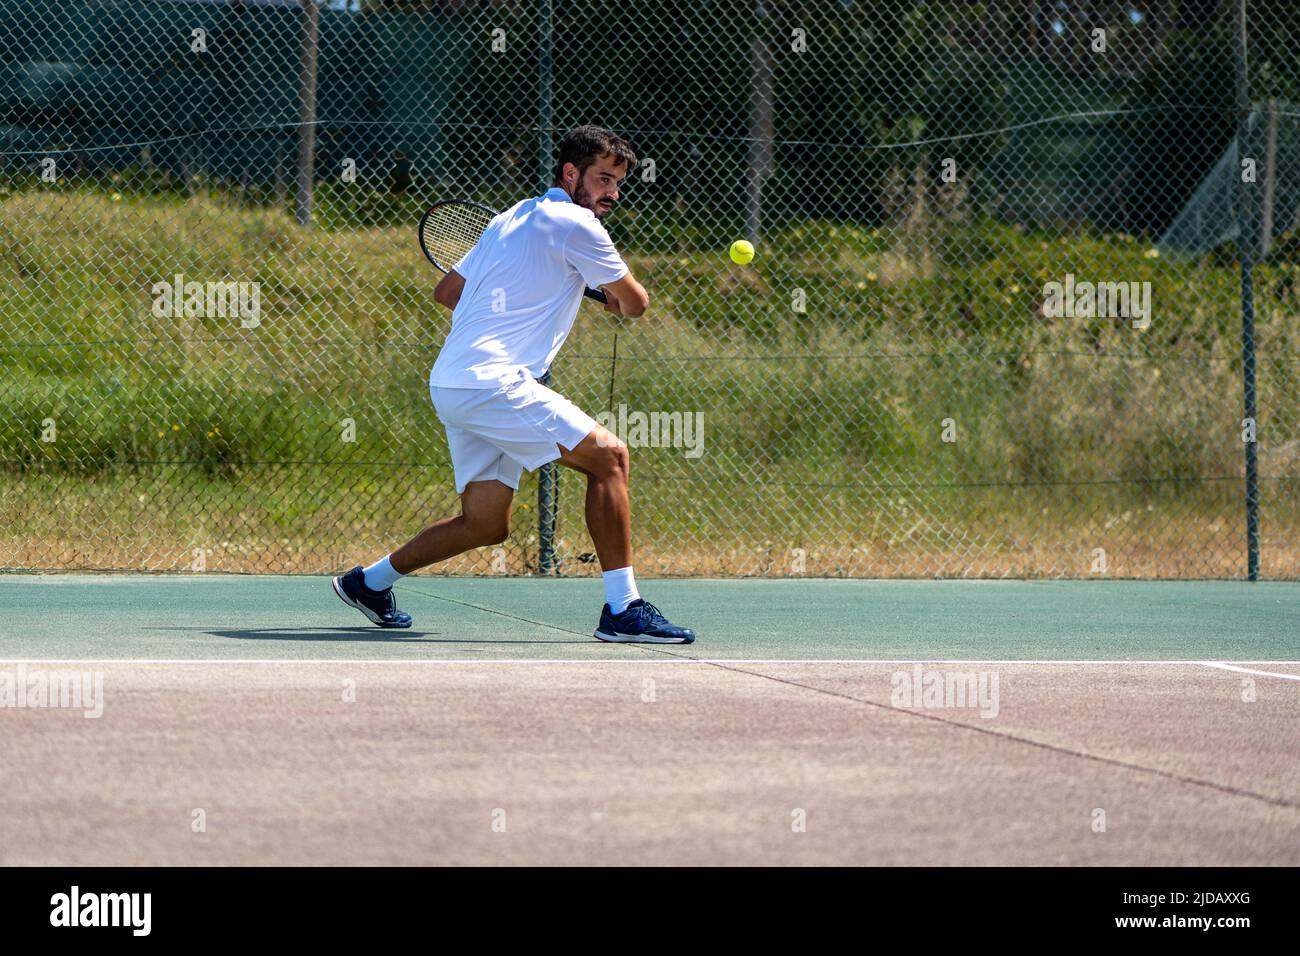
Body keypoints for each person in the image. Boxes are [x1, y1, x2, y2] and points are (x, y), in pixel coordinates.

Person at [332, 125, 695, 644]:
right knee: (610, 458)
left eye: (618, 182)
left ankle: (368, 583)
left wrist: (531, 292)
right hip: (492, 382)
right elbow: (636, 304)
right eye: (603, 178)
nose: (613, 192)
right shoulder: (578, 224)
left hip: (454, 382)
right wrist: (605, 294)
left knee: (485, 525)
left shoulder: (508, 219)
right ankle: (624, 609)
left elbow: (448, 291)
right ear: (570, 174)